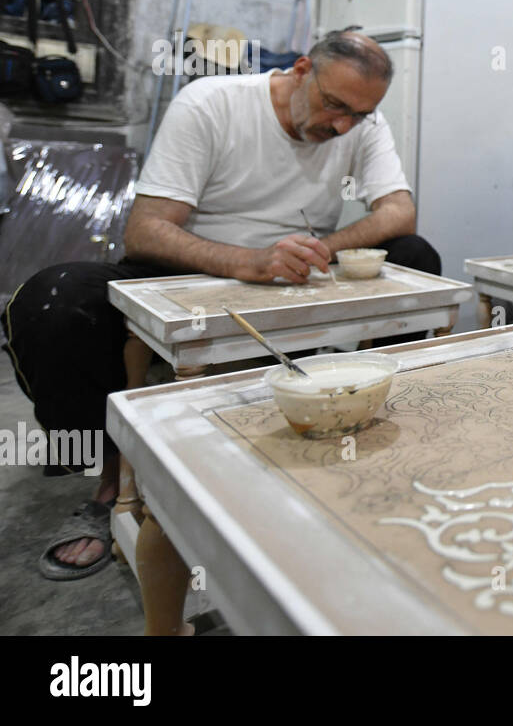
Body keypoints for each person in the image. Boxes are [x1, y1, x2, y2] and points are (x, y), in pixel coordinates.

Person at [4, 29, 440, 579]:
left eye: (361, 114)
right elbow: (146, 231)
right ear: (302, 69)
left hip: (294, 273)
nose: (344, 126)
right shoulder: (211, 103)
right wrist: (245, 261)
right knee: (55, 301)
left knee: (414, 253)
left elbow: (399, 213)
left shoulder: (361, 122)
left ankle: (371, 427)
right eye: (335, 106)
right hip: (195, 265)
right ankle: (112, 475)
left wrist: (321, 249)